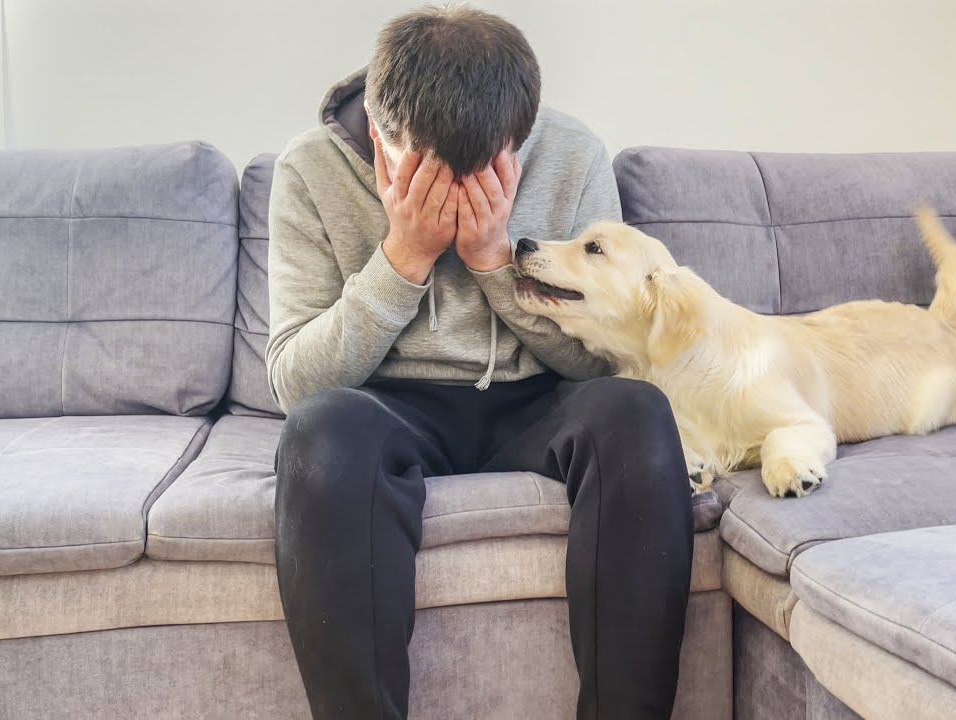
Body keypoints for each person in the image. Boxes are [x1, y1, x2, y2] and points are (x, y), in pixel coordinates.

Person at [267, 5, 693, 718]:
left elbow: (602, 364)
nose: (457, 195)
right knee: (319, 432)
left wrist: (500, 262)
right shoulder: (310, 170)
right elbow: (295, 382)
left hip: (536, 397)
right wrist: (403, 258)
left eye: (485, 172)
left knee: (638, 411)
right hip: (386, 405)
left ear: (517, 144)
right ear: (380, 129)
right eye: (430, 171)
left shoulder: (573, 154)